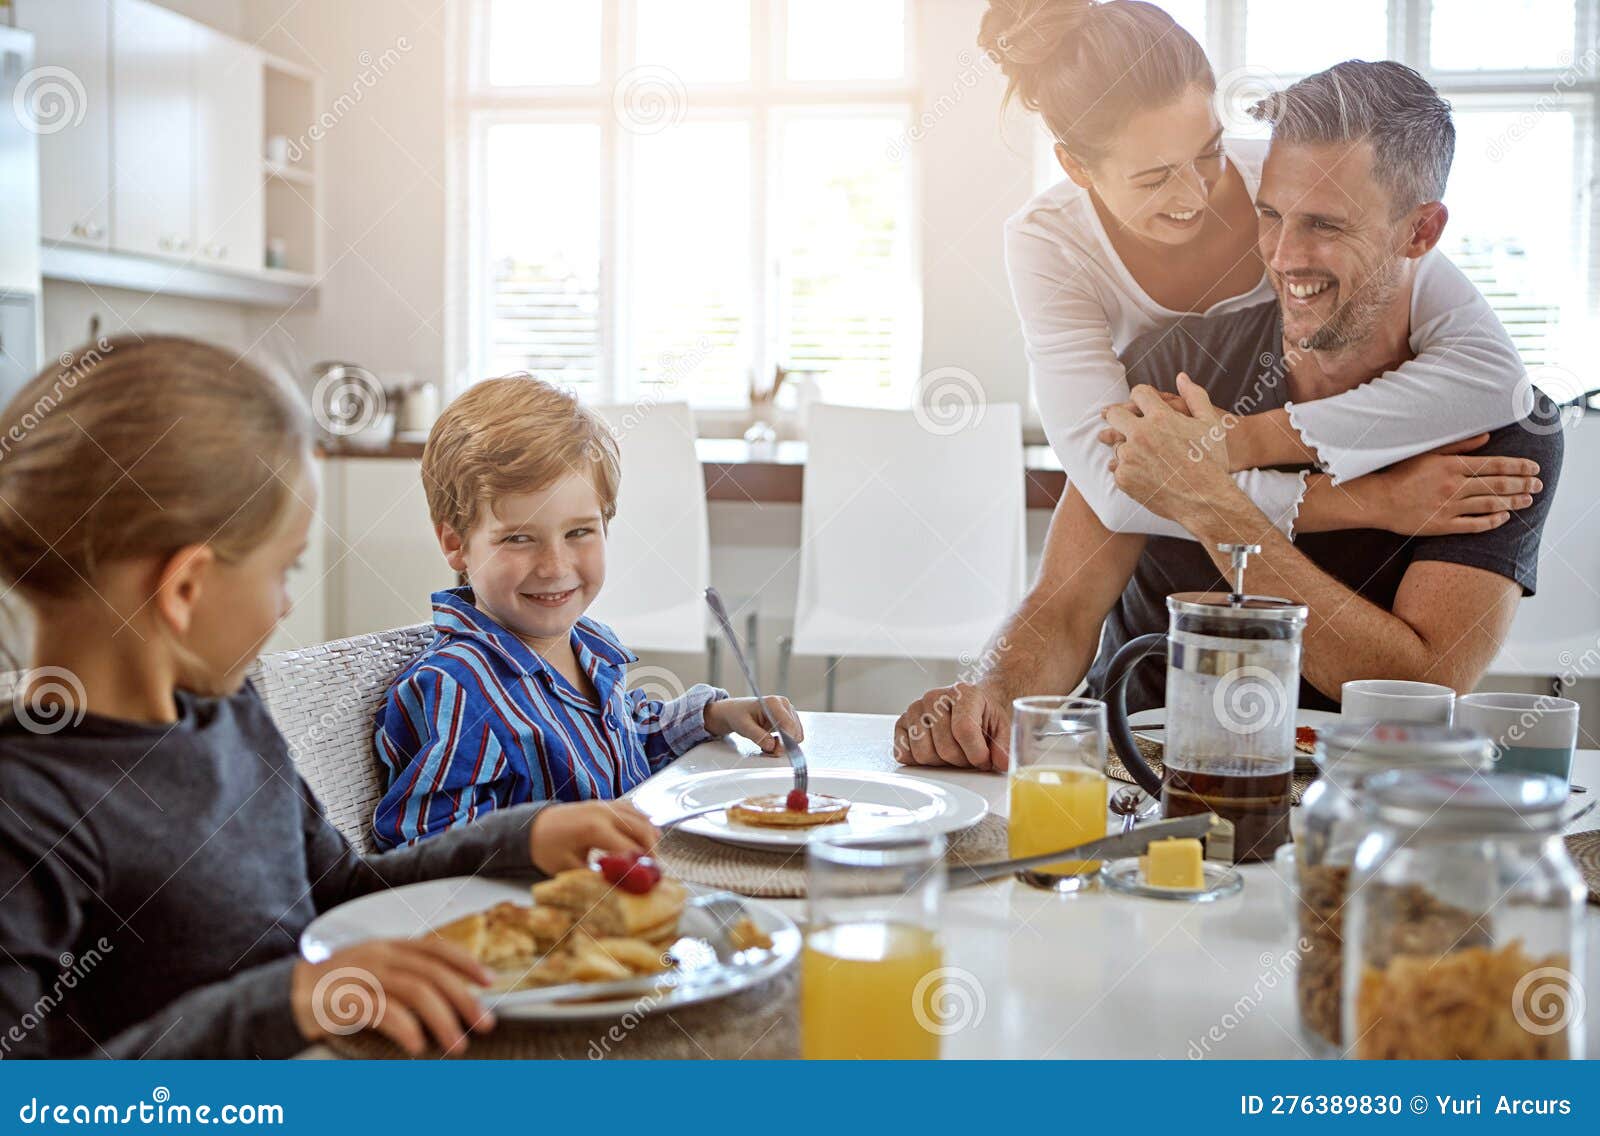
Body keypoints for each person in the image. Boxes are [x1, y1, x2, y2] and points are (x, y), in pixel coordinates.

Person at [0, 337, 658, 1058]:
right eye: (286, 569)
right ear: (186, 590)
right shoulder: (27, 810)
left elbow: (343, 887)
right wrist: (287, 1001)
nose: (286, 605)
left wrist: (519, 837)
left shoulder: (230, 715)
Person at [895, 61, 1563, 768]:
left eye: (1325, 225)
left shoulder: (1502, 434)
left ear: (1420, 232)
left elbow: (1420, 682)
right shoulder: (1174, 368)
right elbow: (1063, 610)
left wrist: (1213, 505)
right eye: (1270, 216)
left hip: (1350, 782)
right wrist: (985, 694)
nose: (1284, 257)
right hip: (1136, 759)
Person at [982, 0, 1541, 541]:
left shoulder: (1291, 183)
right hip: (1180, 525)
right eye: (1154, 179)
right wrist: (1375, 502)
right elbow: (1116, 488)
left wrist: (1236, 441)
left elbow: (1494, 378)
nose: (1194, 196)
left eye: (1209, 151)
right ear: (1076, 166)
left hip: (1244, 463)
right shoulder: (1048, 243)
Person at [372, 375, 803, 851]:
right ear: (456, 545)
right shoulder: (456, 690)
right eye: (518, 538)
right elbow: (428, 852)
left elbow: (625, 740)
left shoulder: (588, 646)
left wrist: (714, 715)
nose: (555, 566)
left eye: (579, 533)